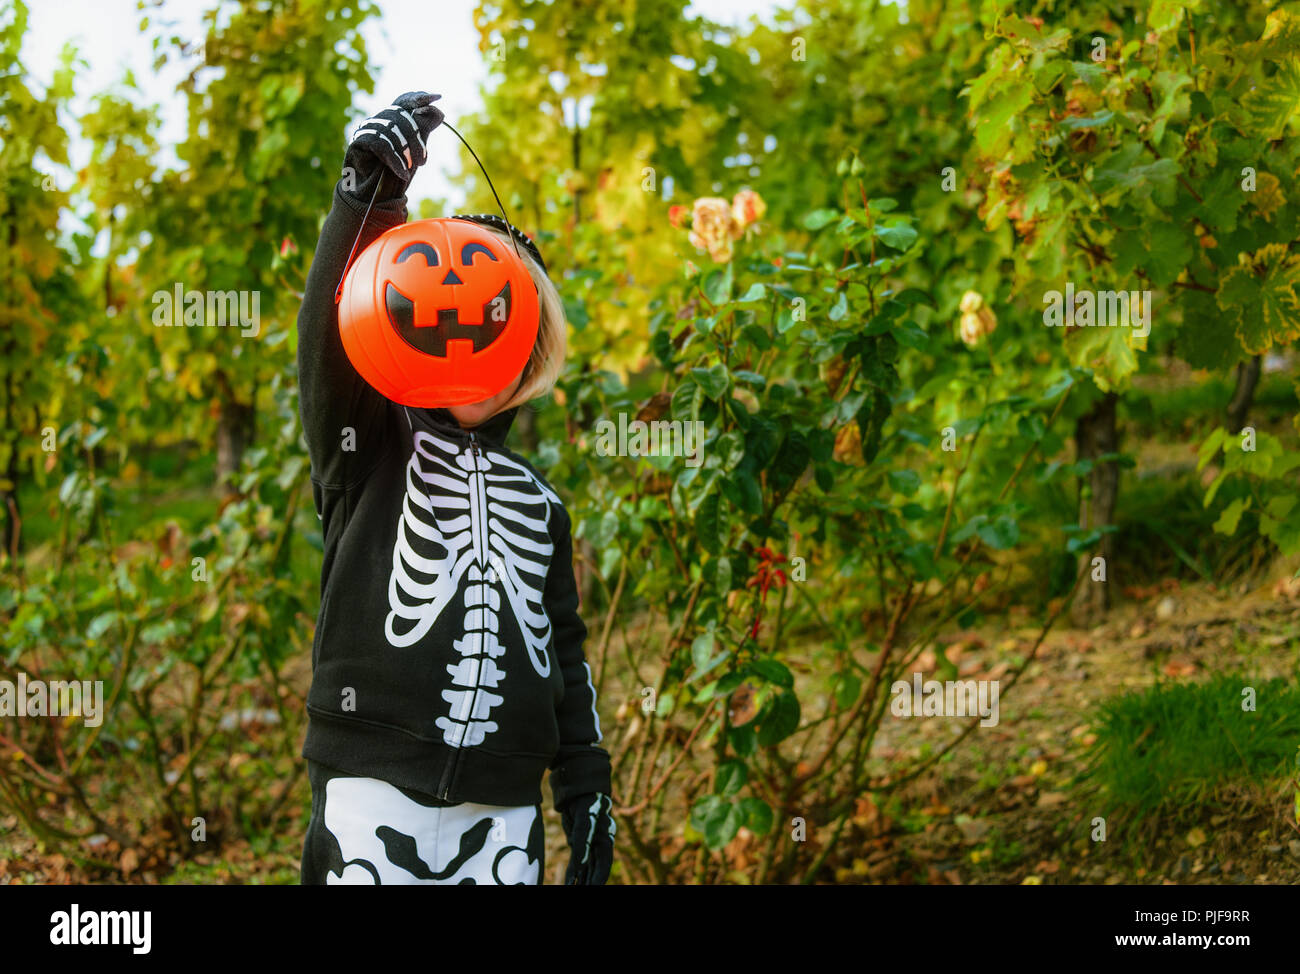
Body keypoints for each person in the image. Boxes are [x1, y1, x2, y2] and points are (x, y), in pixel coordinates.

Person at [296, 91, 614, 885]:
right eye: (435, 310)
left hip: (503, 812)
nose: (462, 329)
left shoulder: (541, 505)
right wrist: (369, 195)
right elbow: (325, 342)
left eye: (497, 314)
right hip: (370, 793)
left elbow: (565, 658)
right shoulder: (367, 453)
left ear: (530, 341)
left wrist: (586, 789)